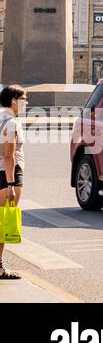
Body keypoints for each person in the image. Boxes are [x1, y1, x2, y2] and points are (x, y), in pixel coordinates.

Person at [0, 85, 27, 281]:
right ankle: (0, 266)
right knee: (4, 222)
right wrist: (10, 184)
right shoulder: (11, 123)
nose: (27, 103)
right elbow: (9, 156)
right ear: (13, 101)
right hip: (8, 175)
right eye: (24, 99)